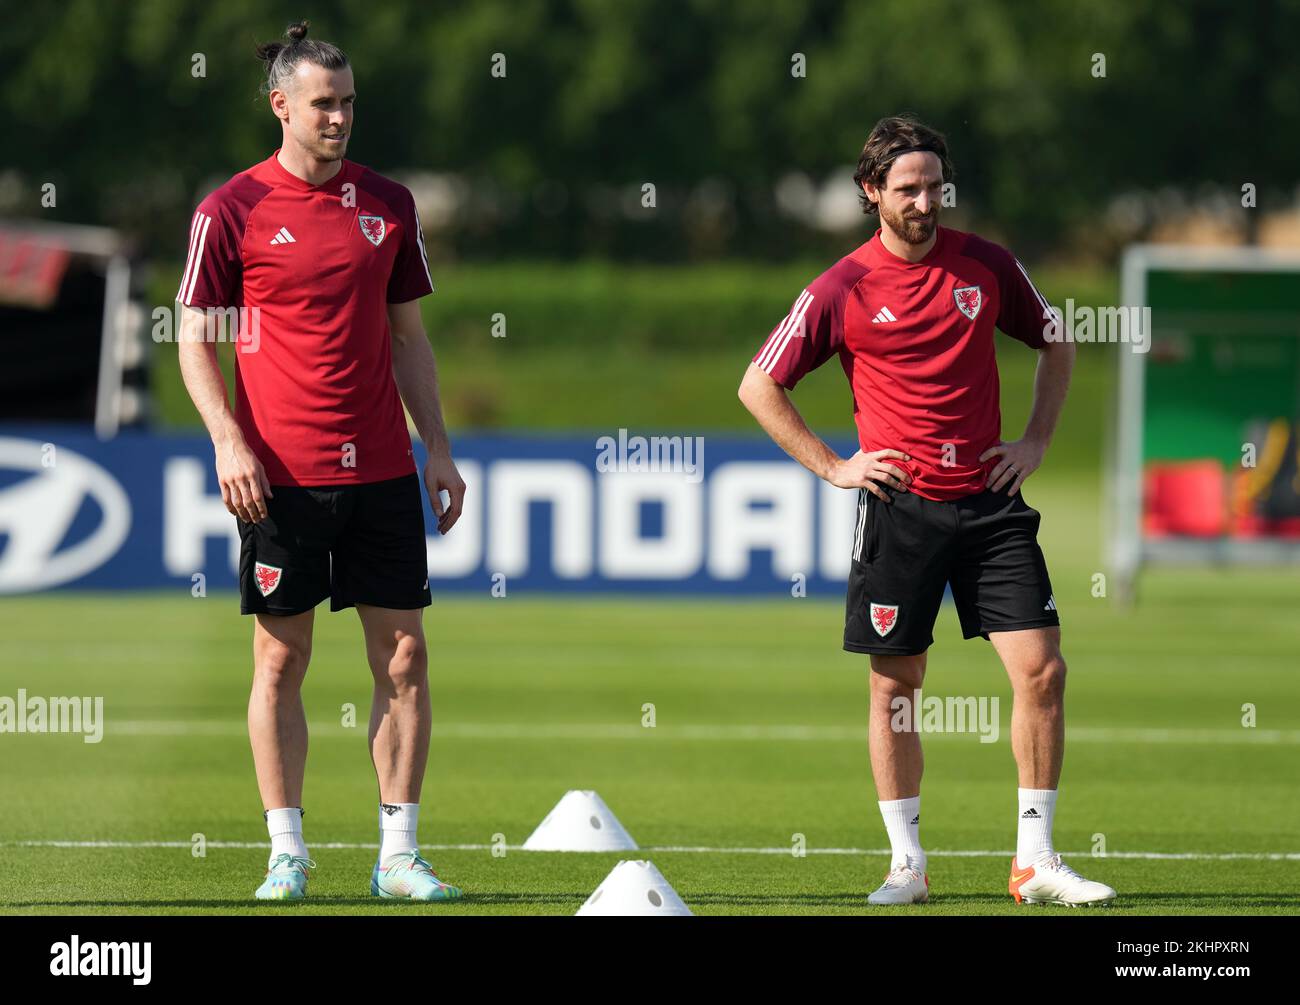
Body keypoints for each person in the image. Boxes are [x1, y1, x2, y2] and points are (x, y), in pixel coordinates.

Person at [738, 114, 1114, 907]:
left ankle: (1035, 860)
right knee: (896, 689)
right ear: (871, 191)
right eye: (907, 188)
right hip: (899, 510)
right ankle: (906, 864)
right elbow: (759, 384)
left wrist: (1036, 441)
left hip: (990, 502)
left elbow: (1059, 340)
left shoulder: (986, 264)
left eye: (934, 185)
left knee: (1043, 671)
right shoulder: (839, 288)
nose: (924, 201)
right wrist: (836, 466)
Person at [177, 21, 465, 902]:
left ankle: (399, 854)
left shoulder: (389, 203)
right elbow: (195, 340)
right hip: (279, 477)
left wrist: (438, 447)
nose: (339, 118)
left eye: (347, 103)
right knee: (280, 662)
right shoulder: (231, 210)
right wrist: (228, 439)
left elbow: (408, 336)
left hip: (379, 468)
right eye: (323, 104)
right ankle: (286, 852)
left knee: (406, 658)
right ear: (282, 106)